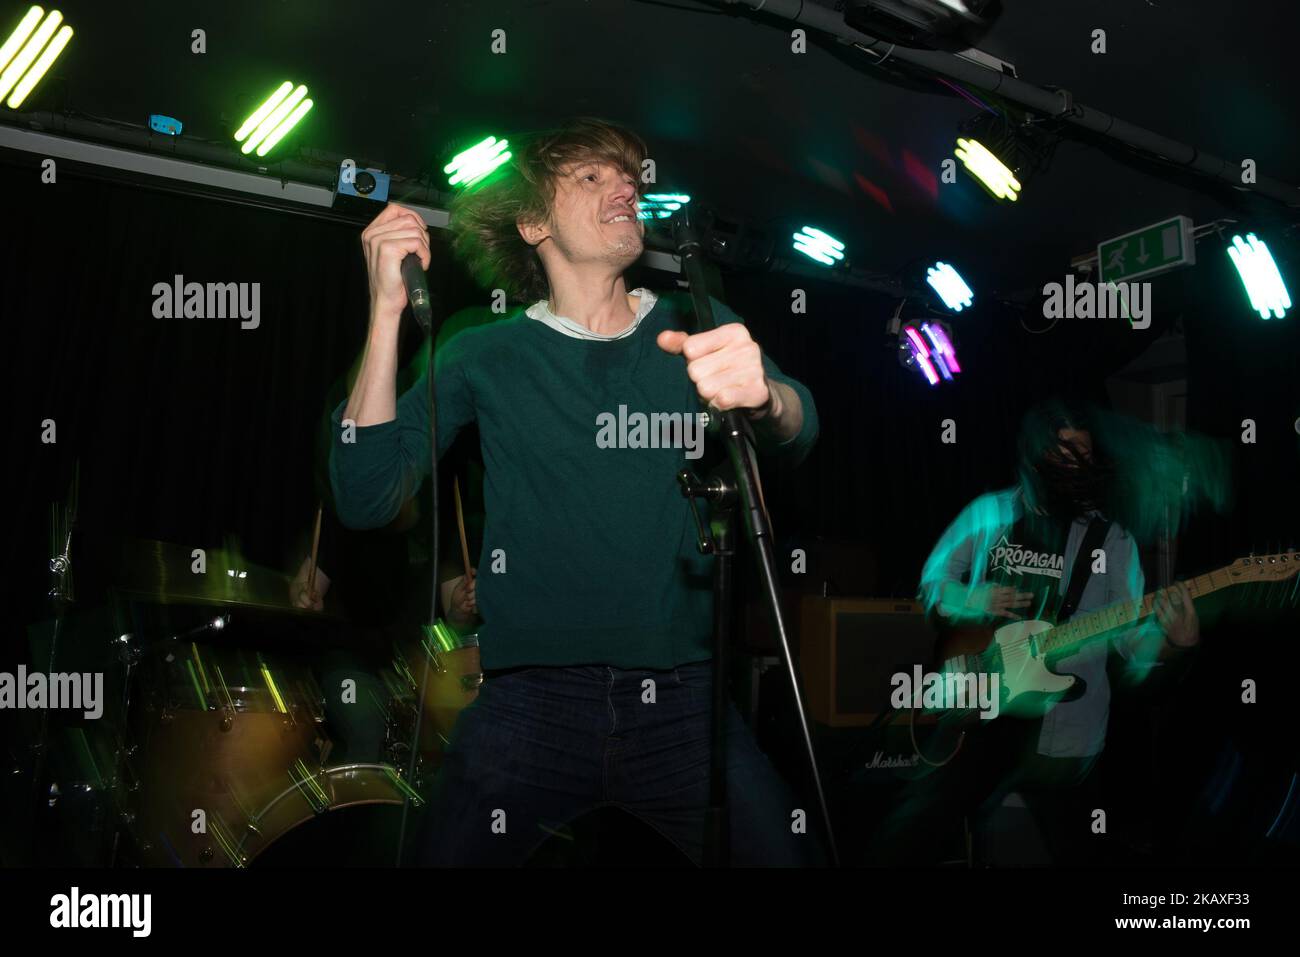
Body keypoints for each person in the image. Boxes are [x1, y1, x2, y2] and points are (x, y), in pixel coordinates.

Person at [330, 117, 820, 866]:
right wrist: (386, 313)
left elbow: (798, 422)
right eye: (591, 177)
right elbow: (365, 494)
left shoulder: (697, 325)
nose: (625, 186)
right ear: (533, 223)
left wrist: (767, 401)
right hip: (530, 706)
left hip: (682, 702)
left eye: (628, 175)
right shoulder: (482, 352)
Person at [871, 399, 1200, 866]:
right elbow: (933, 582)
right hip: (977, 710)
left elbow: (1130, 640)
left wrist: (1174, 644)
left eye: (1083, 454)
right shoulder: (989, 513)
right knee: (911, 834)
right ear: (1035, 454)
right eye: (1064, 452)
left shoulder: (1111, 539)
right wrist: (972, 599)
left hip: (1066, 731)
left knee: (1078, 849)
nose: (1075, 465)